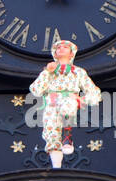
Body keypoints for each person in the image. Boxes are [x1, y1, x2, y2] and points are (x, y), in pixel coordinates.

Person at [28, 39, 101, 169]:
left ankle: (67, 134)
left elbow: (94, 92)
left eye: (65, 47)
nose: (61, 49)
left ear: (71, 53)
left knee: (67, 105)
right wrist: (47, 72)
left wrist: (82, 99)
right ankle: (56, 165)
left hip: (69, 99)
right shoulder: (49, 72)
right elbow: (36, 90)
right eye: (58, 47)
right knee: (51, 129)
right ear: (55, 53)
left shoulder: (78, 72)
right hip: (51, 102)